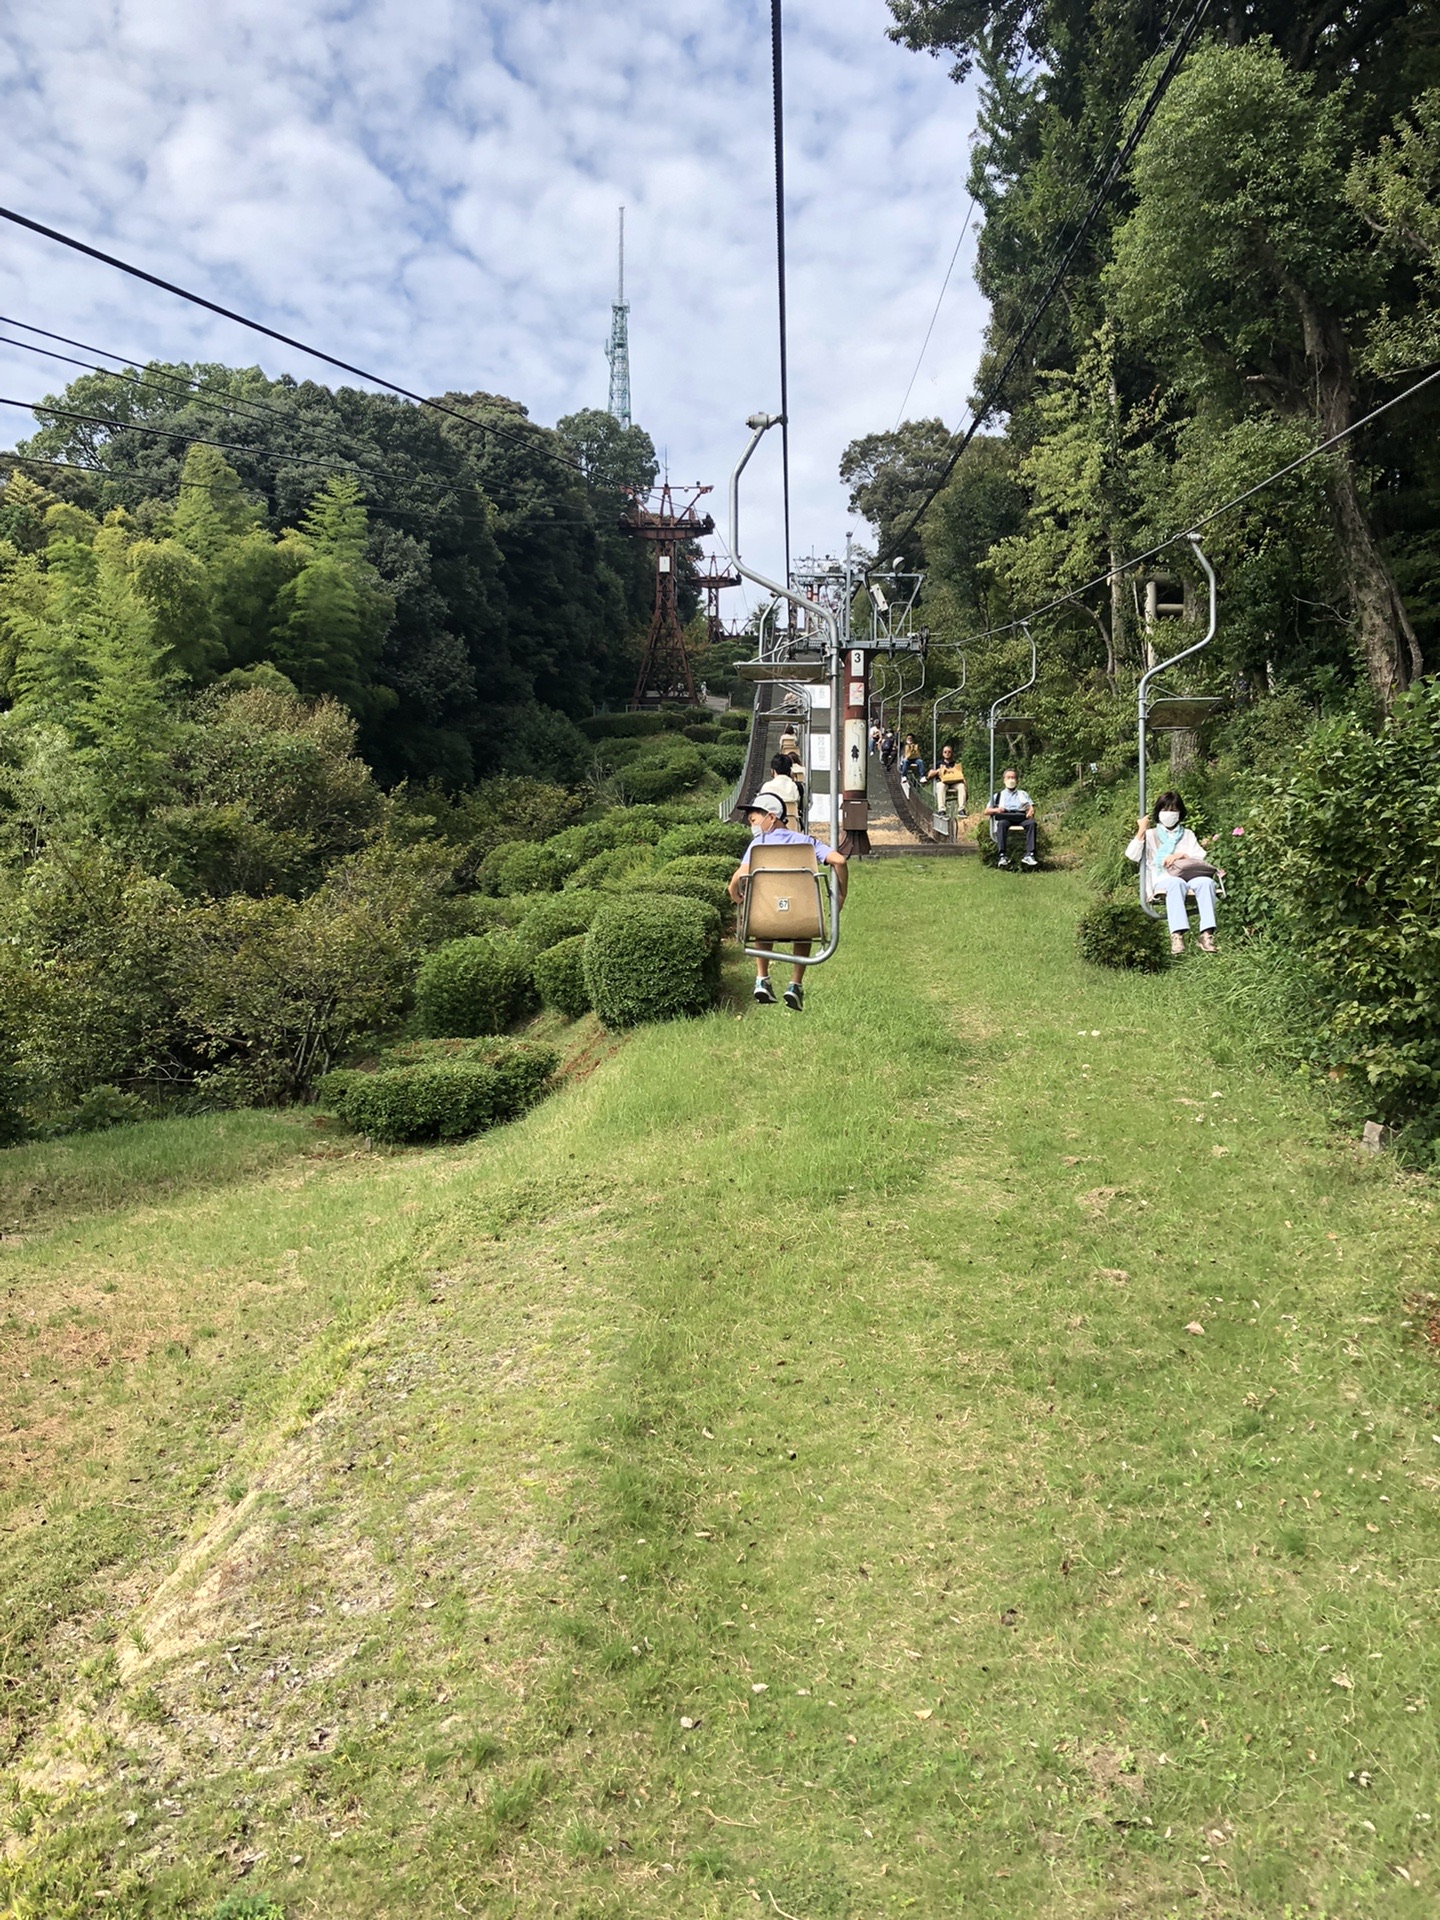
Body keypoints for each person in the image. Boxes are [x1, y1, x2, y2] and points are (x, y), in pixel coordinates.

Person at [728, 792, 848, 1011]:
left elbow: (737, 879)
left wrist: (735, 894)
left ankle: (762, 978)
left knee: (761, 911)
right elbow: (839, 861)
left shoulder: (757, 847)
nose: (752, 827)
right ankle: (795, 984)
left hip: (765, 919)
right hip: (803, 920)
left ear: (771, 817)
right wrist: (840, 895)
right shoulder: (806, 843)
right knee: (803, 920)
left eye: (754, 821)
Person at [1126, 791, 1220, 955]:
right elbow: (1132, 855)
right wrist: (1141, 830)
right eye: (1165, 809)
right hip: (1163, 878)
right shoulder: (1151, 835)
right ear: (1159, 812)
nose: (1170, 814)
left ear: (1180, 813)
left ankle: (1207, 934)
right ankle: (1177, 935)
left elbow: (1199, 857)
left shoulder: (1187, 834)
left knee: (1207, 883)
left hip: (1189, 876)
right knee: (1176, 883)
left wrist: (1181, 856)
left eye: (1174, 810)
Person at [984, 768, 1038, 867]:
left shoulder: (1023, 794)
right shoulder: (998, 796)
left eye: (1013, 778)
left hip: (1020, 816)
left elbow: (1031, 807)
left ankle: (1030, 854)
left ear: (1016, 780)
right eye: (1008, 778)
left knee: (1031, 824)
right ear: (1004, 780)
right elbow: (986, 811)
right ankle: (1002, 855)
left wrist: (1030, 811)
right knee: (1001, 824)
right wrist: (997, 810)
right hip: (1006, 816)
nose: (1011, 780)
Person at [755, 752, 801, 823]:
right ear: (790, 771)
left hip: (770, 827)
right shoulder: (797, 787)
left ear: (772, 771)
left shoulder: (764, 787)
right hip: (793, 828)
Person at [926, 744, 967, 821]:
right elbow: (929, 775)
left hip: (954, 782)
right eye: (945, 752)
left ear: (952, 753)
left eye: (949, 752)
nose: (947, 753)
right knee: (941, 786)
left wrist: (965, 786)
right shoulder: (938, 764)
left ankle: (961, 810)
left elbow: (961, 776)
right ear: (943, 753)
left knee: (961, 786)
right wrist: (938, 771)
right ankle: (941, 810)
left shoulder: (955, 764)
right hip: (943, 782)